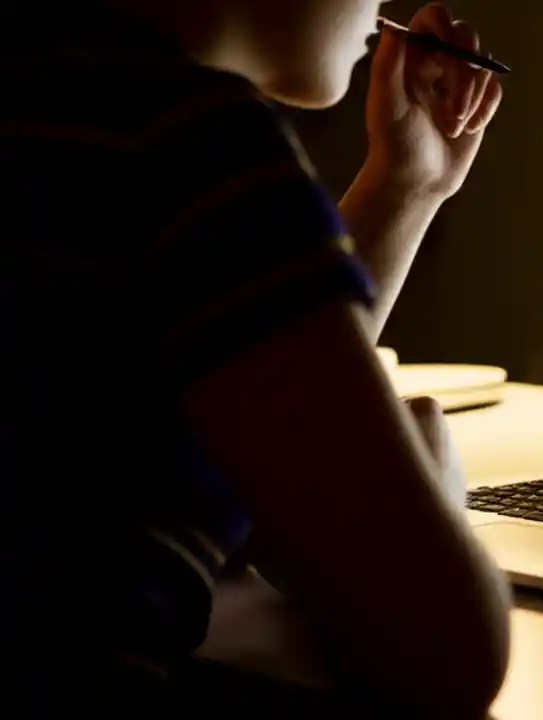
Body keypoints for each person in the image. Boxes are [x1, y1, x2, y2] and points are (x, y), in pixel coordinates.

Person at [1, 0, 510, 715]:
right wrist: (437, 489)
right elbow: (446, 654)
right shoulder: (186, 144)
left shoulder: (52, 106)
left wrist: (407, 185)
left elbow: (226, 385)